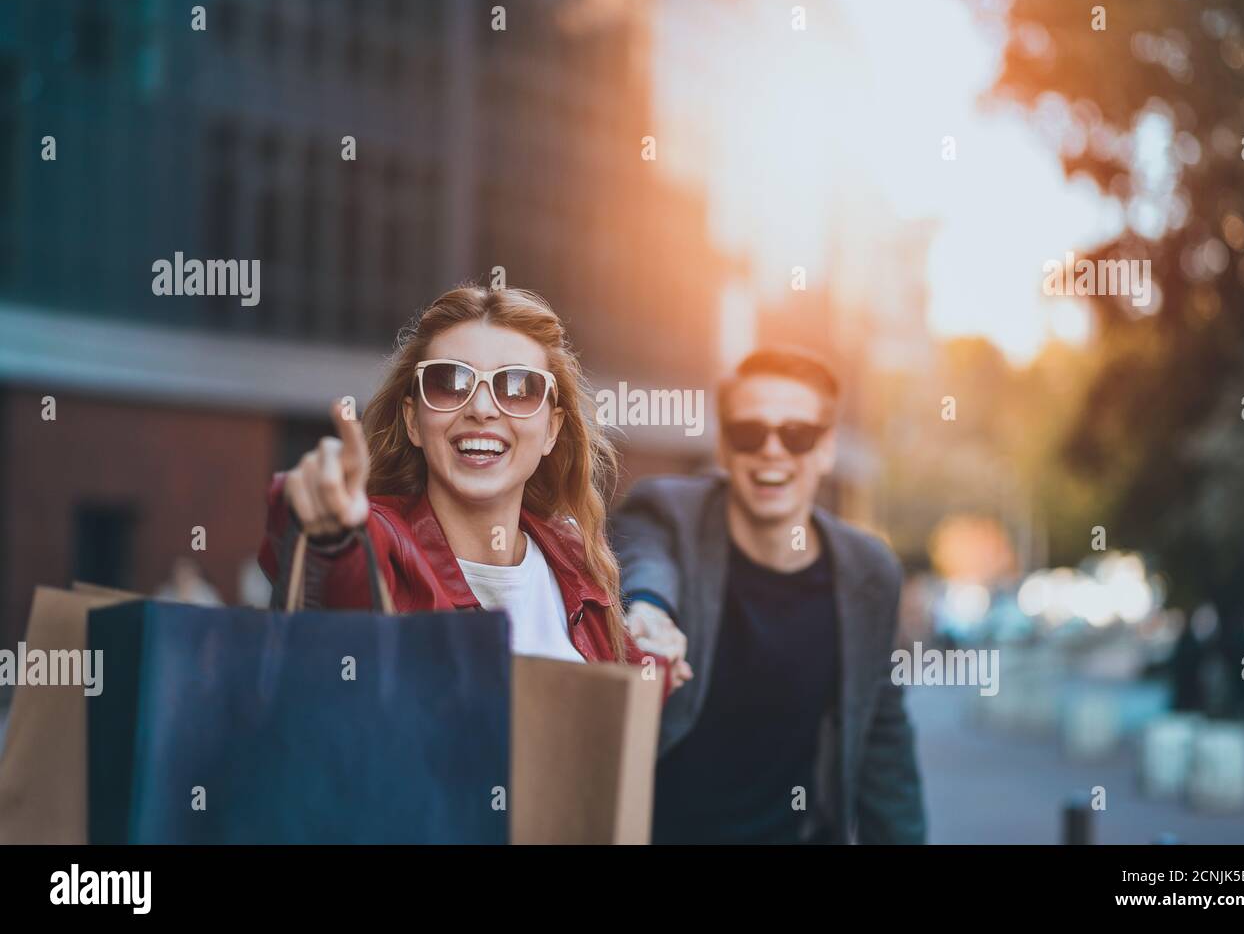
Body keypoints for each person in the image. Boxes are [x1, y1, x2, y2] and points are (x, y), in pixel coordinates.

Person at [258, 285, 674, 687]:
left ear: (552, 429)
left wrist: (663, 660)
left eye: (517, 387)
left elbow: (621, 691)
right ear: (413, 421)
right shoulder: (373, 540)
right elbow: (334, 591)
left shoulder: (574, 557)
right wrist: (328, 536)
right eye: (449, 383)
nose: (480, 408)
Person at [612, 346, 925, 843]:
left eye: (797, 435)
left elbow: (882, 739)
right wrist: (649, 607)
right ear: (724, 449)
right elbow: (644, 555)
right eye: (748, 432)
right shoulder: (670, 509)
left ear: (826, 449)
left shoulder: (869, 571)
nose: (772, 451)